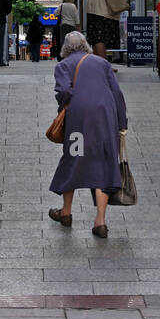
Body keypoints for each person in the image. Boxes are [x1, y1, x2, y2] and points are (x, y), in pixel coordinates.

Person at [48, 30, 127, 239]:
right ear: (86, 45)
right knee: (104, 162)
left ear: (65, 48)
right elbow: (116, 93)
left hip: (78, 120)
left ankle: (66, 212)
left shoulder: (63, 66)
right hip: (106, 119)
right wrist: (122, 122)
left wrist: (65, 106)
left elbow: (64, 90)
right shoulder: (102, 63)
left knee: (74, 158)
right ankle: (100, 221)